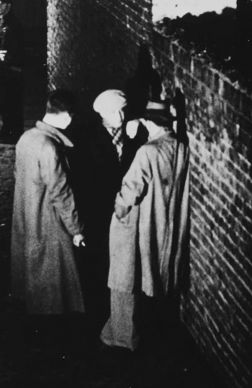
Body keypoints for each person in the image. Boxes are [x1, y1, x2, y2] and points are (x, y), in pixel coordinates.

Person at [101, 97, 190, 352]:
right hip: (165, 222)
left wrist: (118, 208)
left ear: (150, 123)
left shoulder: (147, 151)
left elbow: (131, 190)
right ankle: (152, 328)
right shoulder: (179, 146)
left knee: (125, 276)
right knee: (154, 277)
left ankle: (123, 336)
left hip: (141, 222)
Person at [10, 89, 86, 316]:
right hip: (48, 223)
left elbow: (18, 174)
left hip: (27, 215)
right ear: (68, 116)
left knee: (34, 275)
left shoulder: (26, 138)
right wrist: (76, 229)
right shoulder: (51, 147)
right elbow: (61, 192)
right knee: (55, 281)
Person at [0, 0, 24, 143]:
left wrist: (9, 57)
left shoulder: (14, 24)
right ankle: (6, 129)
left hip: (10, 70)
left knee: (12, 101)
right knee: (2, 100)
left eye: (0, 3)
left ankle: (15, 132)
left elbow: (20, 47)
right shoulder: (0, 21)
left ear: (8, 5)